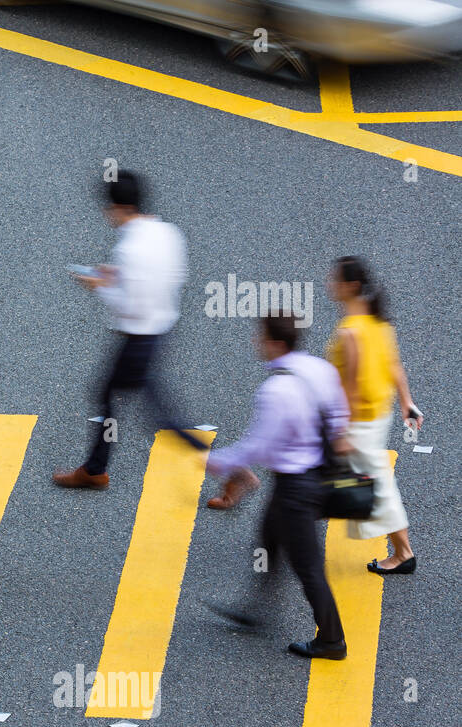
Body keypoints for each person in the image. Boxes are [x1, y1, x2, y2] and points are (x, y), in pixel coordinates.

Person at [206, 311, 351, 661]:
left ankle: (332, 640)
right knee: (269, 535)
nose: (257, 342)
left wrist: (220, 461)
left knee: (309, 567)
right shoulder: (320, 370)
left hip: (296, 488)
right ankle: (257, 608)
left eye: (261, 337)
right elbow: (341, 417)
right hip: (322, 473)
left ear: (276, 343)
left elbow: (259, 447)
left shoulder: (275, 391)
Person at [54, 170, 207, 490]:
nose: (107, 216)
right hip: (161, 332)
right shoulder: (168, 233)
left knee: (154, 414)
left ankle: (225, 466)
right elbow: (173, 278)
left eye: (108, 210)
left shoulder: (129, 248)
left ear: (119, 208)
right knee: (114, 395)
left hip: (138, 340)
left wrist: (99, 285)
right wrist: (121, 277)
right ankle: (95, 468)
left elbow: (130, 308)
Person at [326, 257, 421, 575]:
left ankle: (403, 553)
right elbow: (394, 364)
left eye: (334, 279)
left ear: (350, 287)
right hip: (377, 414)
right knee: (377, 481)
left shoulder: (351, 331)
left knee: (379, 487)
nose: (329, 283)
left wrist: (343, 432)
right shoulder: (378, 322)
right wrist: (407, 403)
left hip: (359, 419)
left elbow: (350, 386)